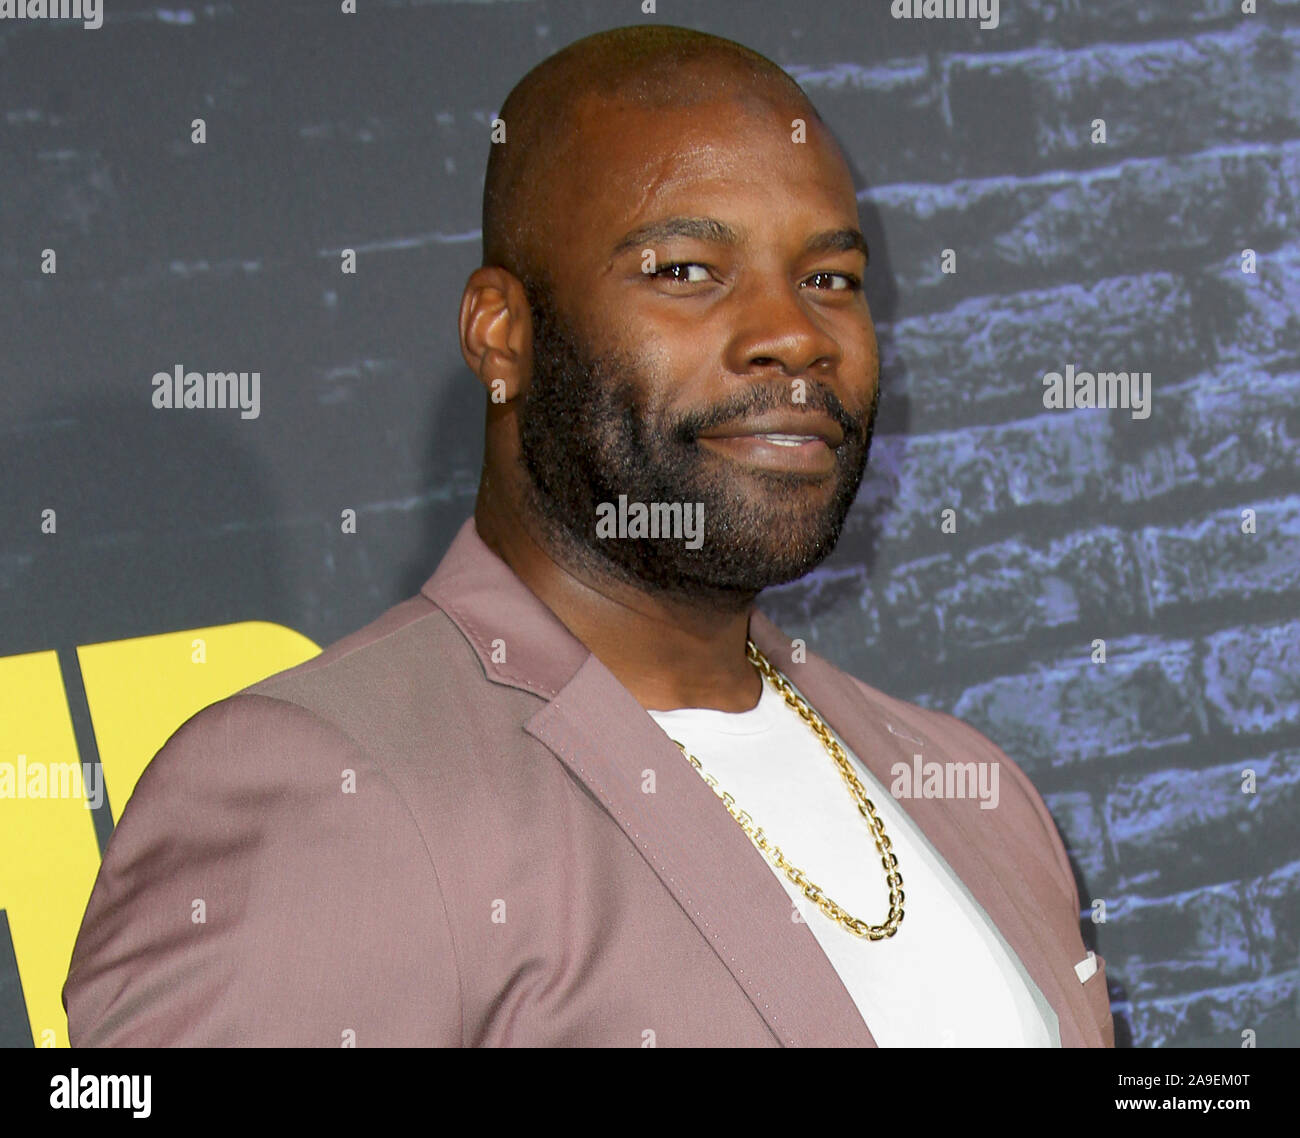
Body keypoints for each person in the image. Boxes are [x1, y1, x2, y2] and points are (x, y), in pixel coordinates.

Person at [63, 24, 1114, 1047]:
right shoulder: (326, 796)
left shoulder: (968, 786)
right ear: (501, 335)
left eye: (829, 278)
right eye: (685, 271)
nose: (793, 333)